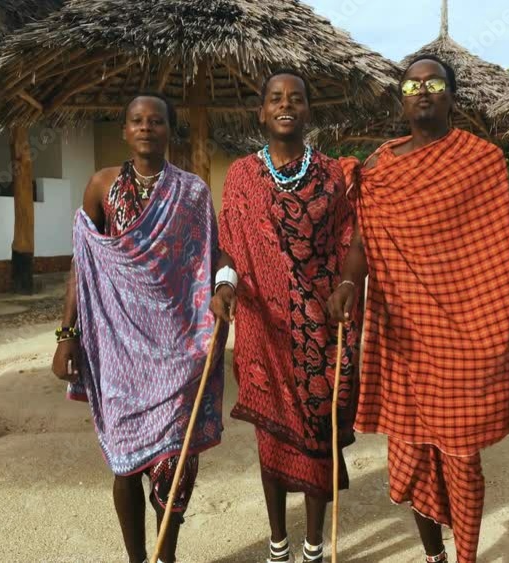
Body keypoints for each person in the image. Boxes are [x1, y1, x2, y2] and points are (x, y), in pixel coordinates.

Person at [331, 56, 509, 563]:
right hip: (403, 336)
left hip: (467, 332)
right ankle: (433, 555)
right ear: (402, 97)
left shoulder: (480, 160)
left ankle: (465, 556)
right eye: (412, 84)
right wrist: (350, 281)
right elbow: (361, 241)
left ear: (451, 96)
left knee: (461, 454)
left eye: (434, 83)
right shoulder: (379, 168)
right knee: (411, 451)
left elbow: (497, 246)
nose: (423, 91)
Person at [51, 93, 224, 563]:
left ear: (170, 130)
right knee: (125, 464)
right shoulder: (101, 186)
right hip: (117, 350)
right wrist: (67, 338)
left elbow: (213, 259)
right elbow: (81, 265)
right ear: (124, 130)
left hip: (178, 348)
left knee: (175, 459)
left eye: (157, 121)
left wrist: (224, 287)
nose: (146, 127)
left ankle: (165, 555)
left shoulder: (191, 192)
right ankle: (135, 558)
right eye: (136, 120)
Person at [210, 70, 358, 563]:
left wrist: (343, 290)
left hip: (319, 324)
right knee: (270, 436)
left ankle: (313, 545)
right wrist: (224, 286)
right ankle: (279, 543)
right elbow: (229, 250)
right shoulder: (240, 176)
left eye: (296, 98)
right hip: (261, 329)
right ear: (262, 111)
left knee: (318, 433)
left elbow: (348, 245)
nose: (285, 105)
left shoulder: (334, 175)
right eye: (275, 98)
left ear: (309, 110)